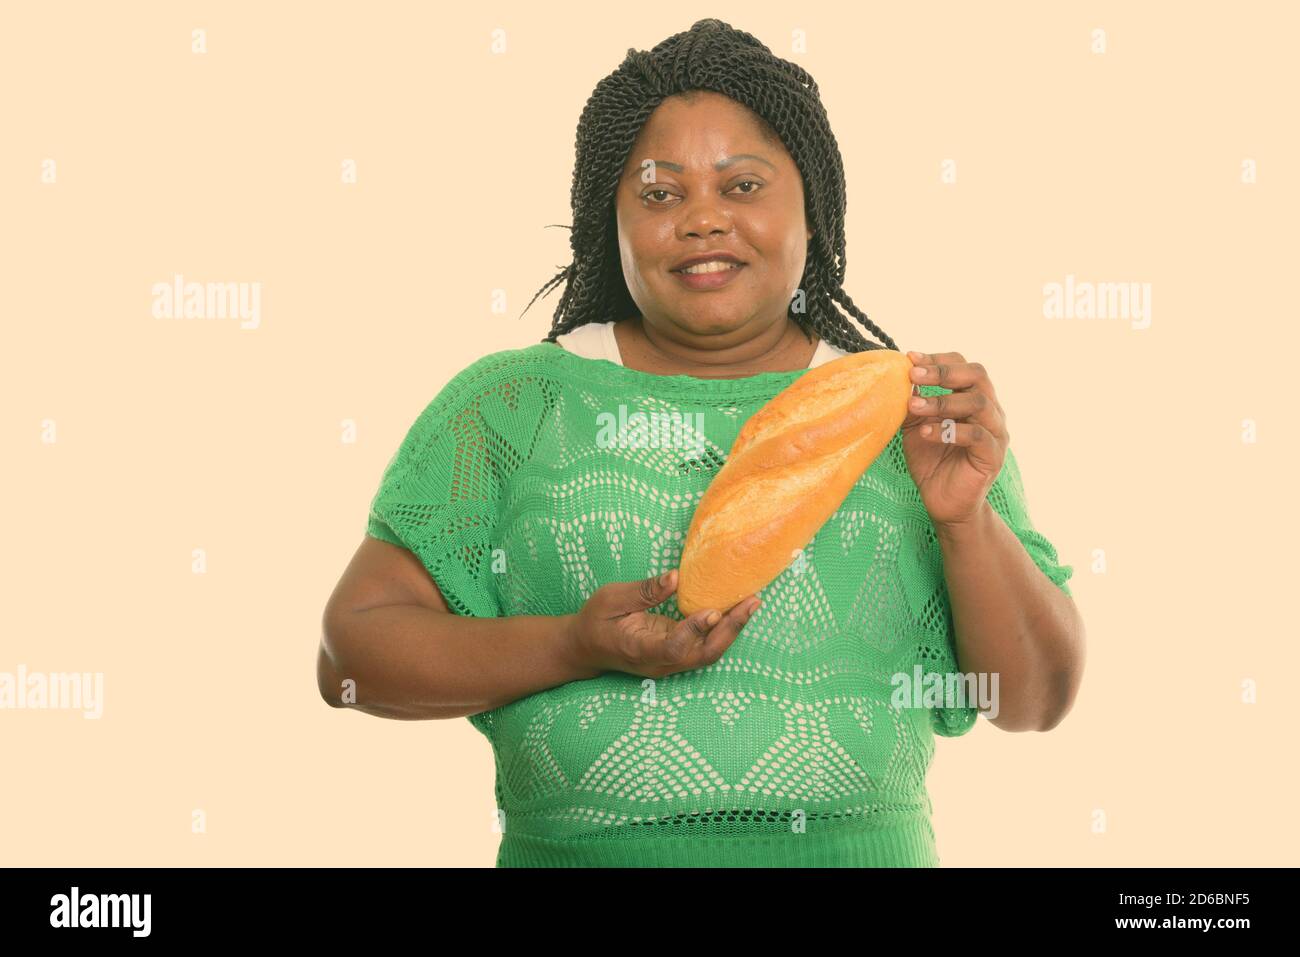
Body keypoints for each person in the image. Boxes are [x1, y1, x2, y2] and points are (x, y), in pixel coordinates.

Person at [318, 19, 1085, 867]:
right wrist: (574, 644)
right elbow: (352, 653)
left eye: (743, 185)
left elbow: (1037, 700)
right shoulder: (511, 407)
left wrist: (965, 519)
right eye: (659, 194)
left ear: (813, 204)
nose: (703, 220)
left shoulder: (918, 412)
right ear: (607, 218)